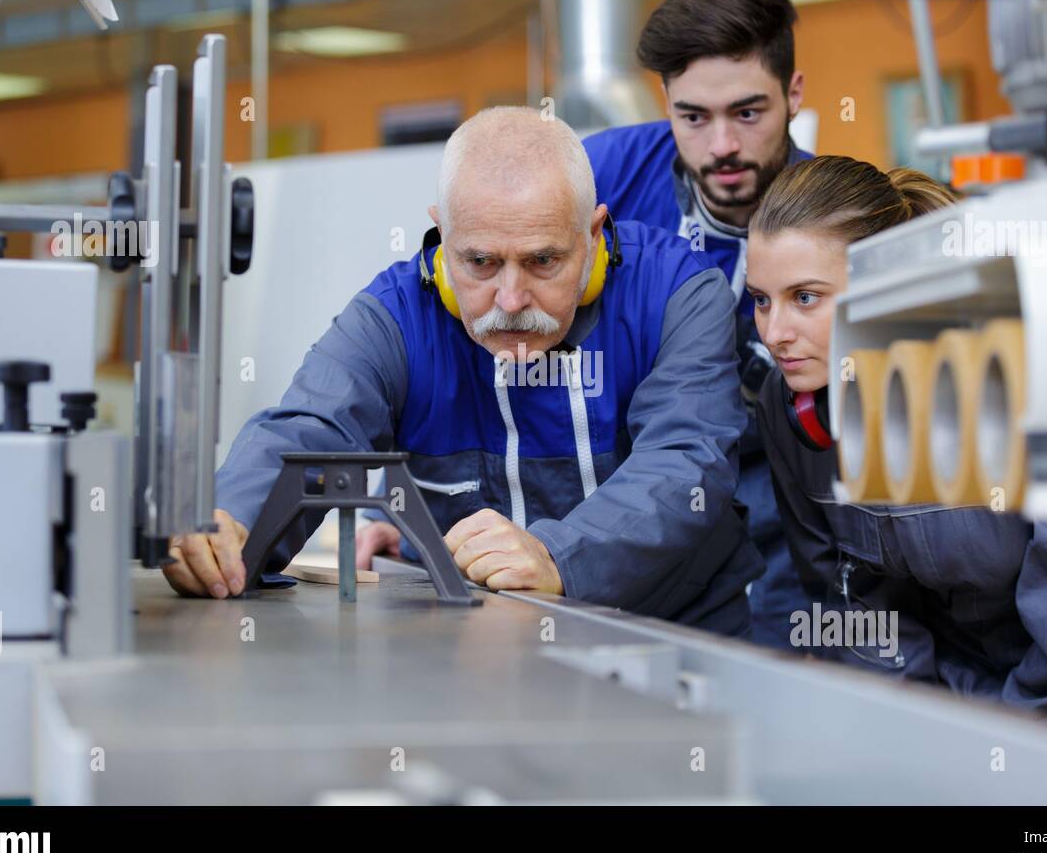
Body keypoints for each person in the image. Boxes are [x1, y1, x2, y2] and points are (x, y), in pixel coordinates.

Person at [161, 106, 763, 635]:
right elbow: (309, 431)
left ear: (594, 235)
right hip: (482, 654)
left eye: (543, 260)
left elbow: (688, 461)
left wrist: (560, 556)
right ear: (442, 236)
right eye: (478, 261)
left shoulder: (677, 293)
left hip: (678, 644)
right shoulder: (396, 319)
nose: (510, 298)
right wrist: (232, 523)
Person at [746, 154, 1047, 740]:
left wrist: (1002, 745)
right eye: (761, 299)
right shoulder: (790, 414)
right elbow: (849, 598)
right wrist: (929, 721)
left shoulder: (1043, 381)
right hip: (963, 668)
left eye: (805, 297)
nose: (775, 333)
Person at [583, 0, 814, 648]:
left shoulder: (834, 218)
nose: (722, 146)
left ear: (793, 93)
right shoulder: (605, 177)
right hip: (632, 476)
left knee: (779, 668)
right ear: (666, 106)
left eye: (747, 113)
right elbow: (478, 312)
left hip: (778, 489)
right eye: (693, 117)